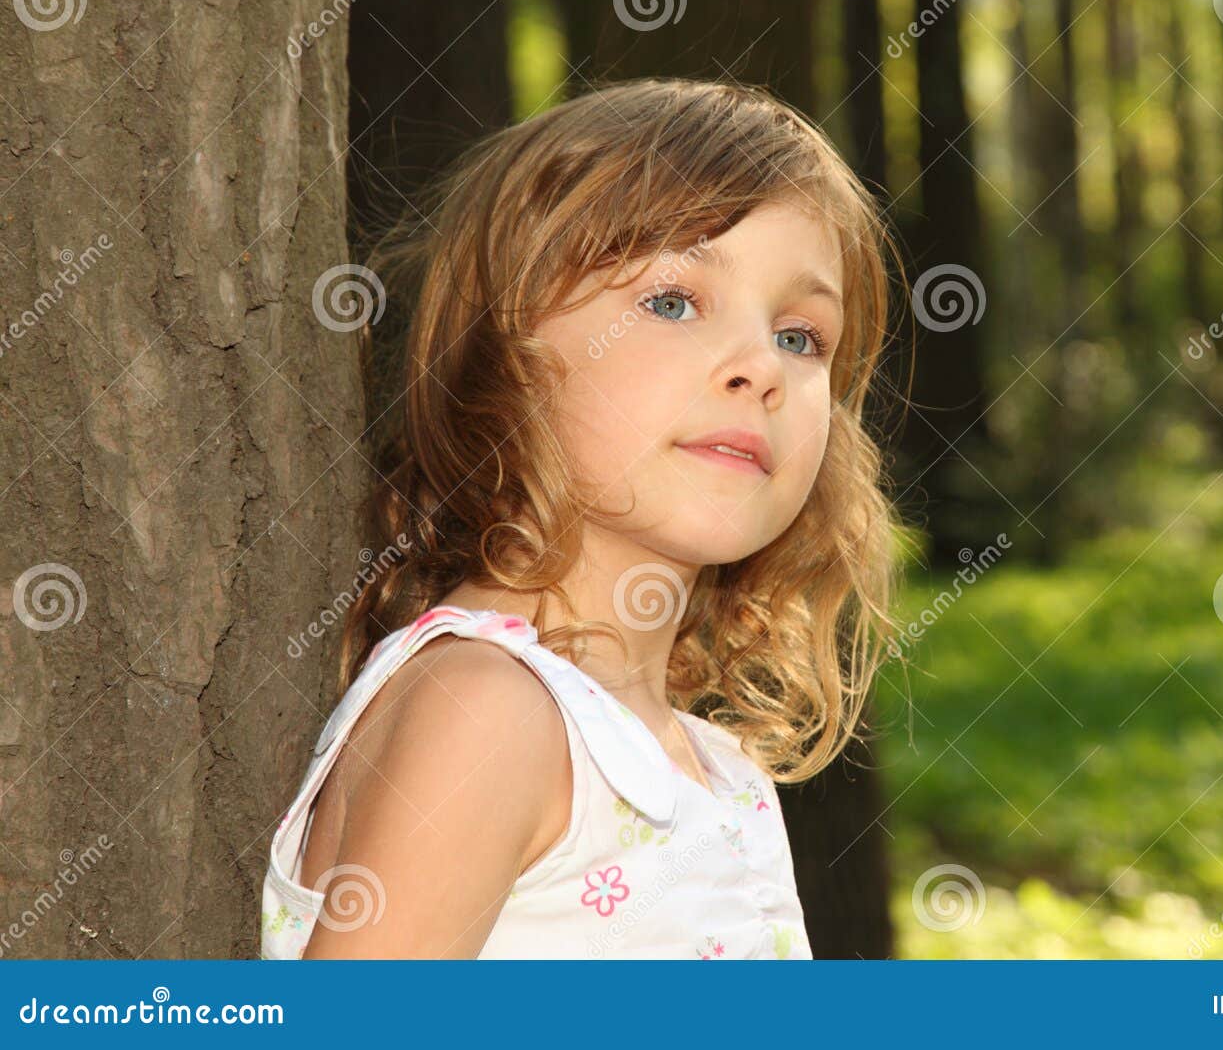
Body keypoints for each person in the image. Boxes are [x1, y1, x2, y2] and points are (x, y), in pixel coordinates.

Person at [259, 78, 908, 958]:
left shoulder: (716, 766)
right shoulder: (488, 711)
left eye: (800, 336)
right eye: (673, 301)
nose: (761, 365)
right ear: (504, 354)